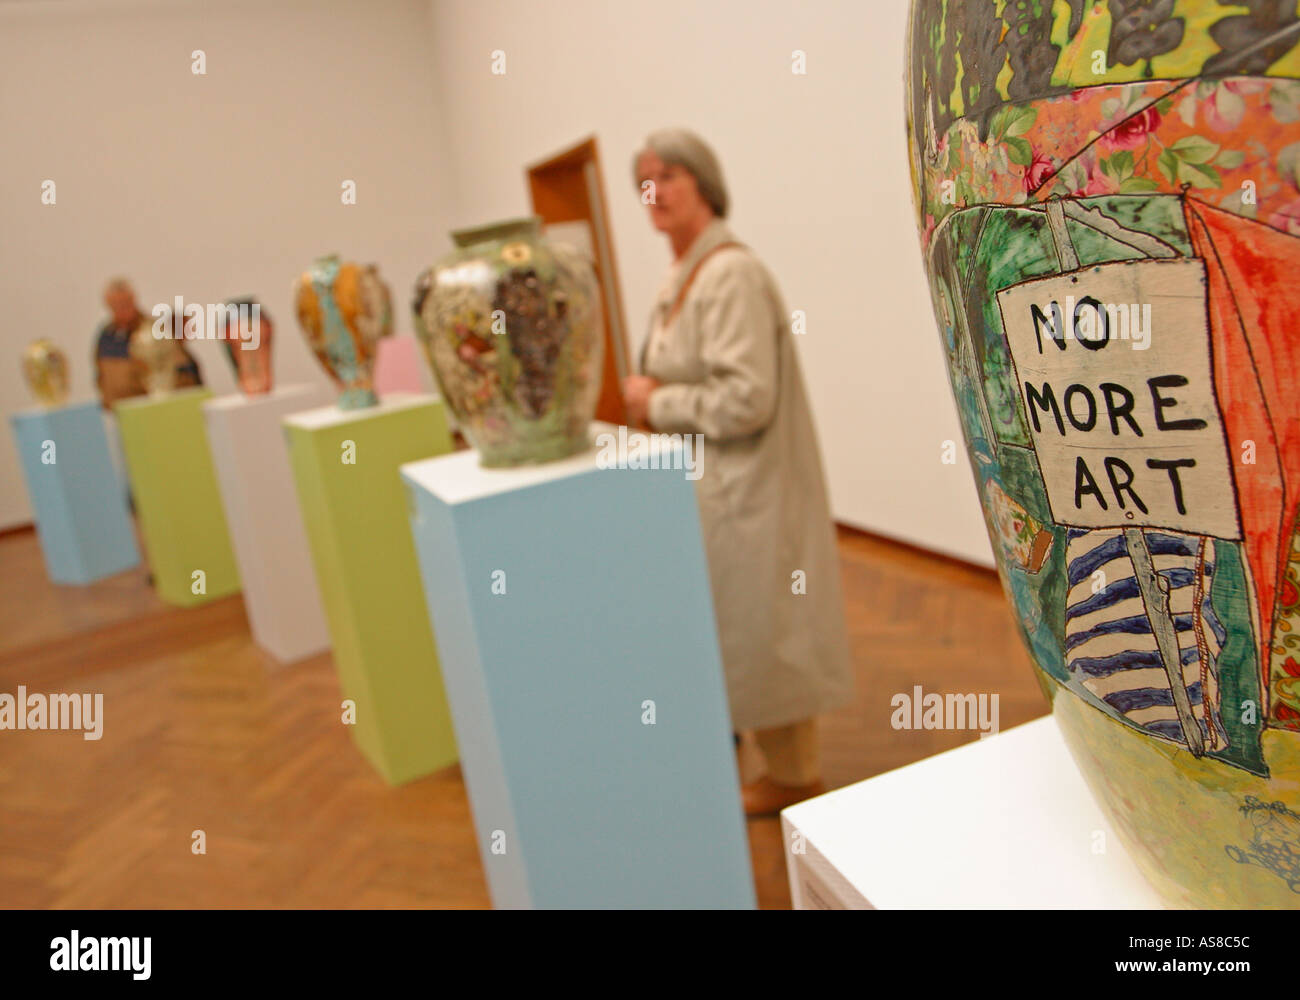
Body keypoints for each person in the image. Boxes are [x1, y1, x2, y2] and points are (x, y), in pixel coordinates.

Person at [624, 129, 854, 816]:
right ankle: (758, 759)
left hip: (746, 489)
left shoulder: (729, 274)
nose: (654, 191)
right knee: (738, 627)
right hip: (713, 488)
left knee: (765, 630)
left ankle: (794, 777)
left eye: (668, 175)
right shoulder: (683, 276)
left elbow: (747, 398)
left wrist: (653, 401)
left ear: (705, 181)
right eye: (644, 180)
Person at [93, 278, 202, 410]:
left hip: (151, 411)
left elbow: (181, 374)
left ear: (134, 300)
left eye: (125, 302)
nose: (122, 308)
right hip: (119, 414)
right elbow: (101, 377)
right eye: (116, 304)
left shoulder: (155, 332)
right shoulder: (105, 338)